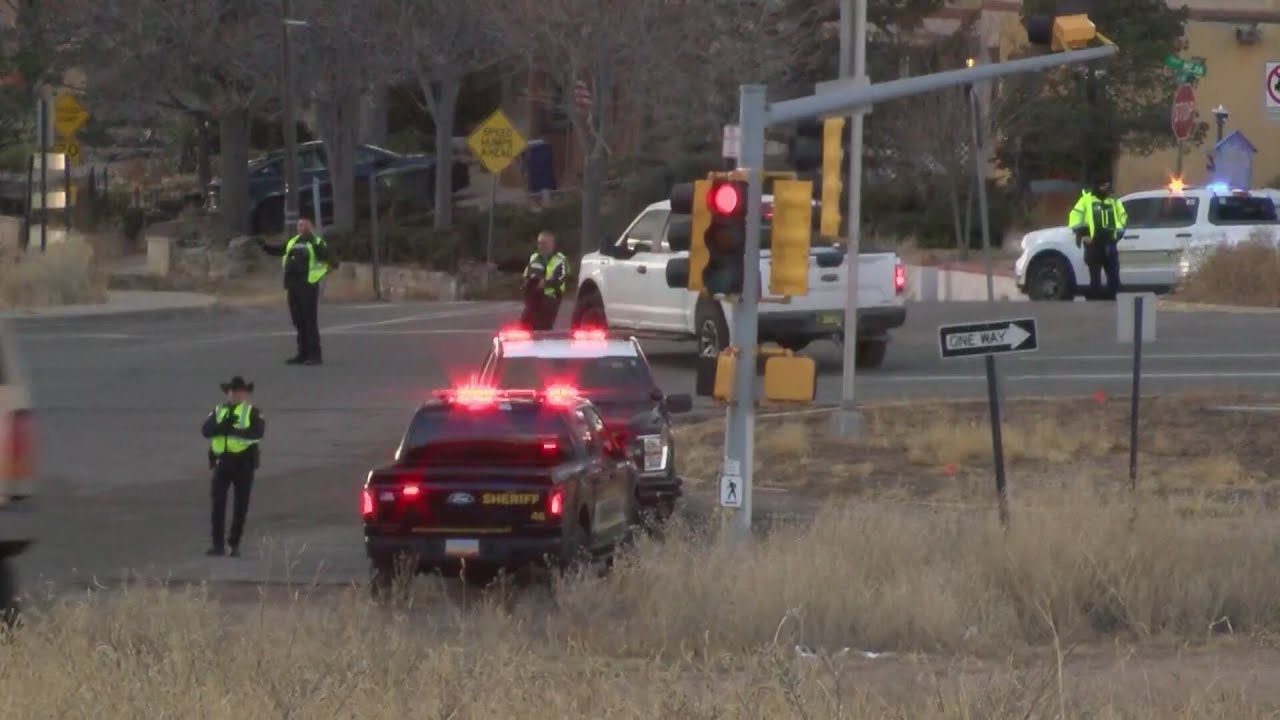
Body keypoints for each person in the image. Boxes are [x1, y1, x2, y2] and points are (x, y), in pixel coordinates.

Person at [258, 218, 338, 365]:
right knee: (298, 320)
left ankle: (315, 355)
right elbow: (279, 250)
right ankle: (302, 353)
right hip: (292, 286)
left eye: (304, 224)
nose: (301, 227)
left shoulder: (316, 242)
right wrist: (264, 246)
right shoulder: (292, 241)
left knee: (309, 320)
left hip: (308, 285)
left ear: (310, 226)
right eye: (299, 224)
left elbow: (330, 259)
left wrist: (323, 270)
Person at [201, 376, 265, 557]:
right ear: (228, 393)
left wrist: (231, 430)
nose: (237, 395)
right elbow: (205, 431)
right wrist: (220, 426)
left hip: (244, 464)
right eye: (233, 391)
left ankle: (234, 543)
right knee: (217, 505)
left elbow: (257, 434)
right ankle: (218, 545)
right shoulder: (218, 411)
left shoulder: (253, 412)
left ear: (246, 394)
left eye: (240, 392)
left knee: (241, 506)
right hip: (222, 463)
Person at [1068, 180, 1127, 300]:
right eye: (1103, 185)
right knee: (1095, 276)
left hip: (1110, 243)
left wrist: (1118, 233)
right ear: (1097, 186)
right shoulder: (1087, 200)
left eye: (1107, 185)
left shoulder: (1113, 201)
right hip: (1093, 244)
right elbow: (1075, 217)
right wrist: (1083, 234)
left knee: (1114, 275)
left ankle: (1111, 298)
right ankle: (1096, 300)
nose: (1106, 187)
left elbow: (1123, 216)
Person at [519, 230, 569, 331]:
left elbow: (562, 278)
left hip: (551, 297)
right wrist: (526, 284)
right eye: (539, 243)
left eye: (544, 243)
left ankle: (544, 343)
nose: (541, 246)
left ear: (552, 244)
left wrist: (546, 283)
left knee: (543, 327)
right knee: (524, 325)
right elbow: (526, 274)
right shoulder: (534, 257)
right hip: (533, 297)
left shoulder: (561, 259)